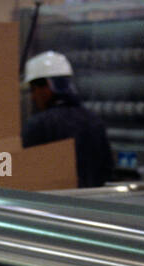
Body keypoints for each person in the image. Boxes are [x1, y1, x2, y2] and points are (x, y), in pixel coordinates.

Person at [21, 51, 114, 189]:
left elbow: (23, 175)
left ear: (47, 86)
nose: (34, 97)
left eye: (34, 90)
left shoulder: (38, 126)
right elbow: (107, 170)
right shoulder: (94, 121)